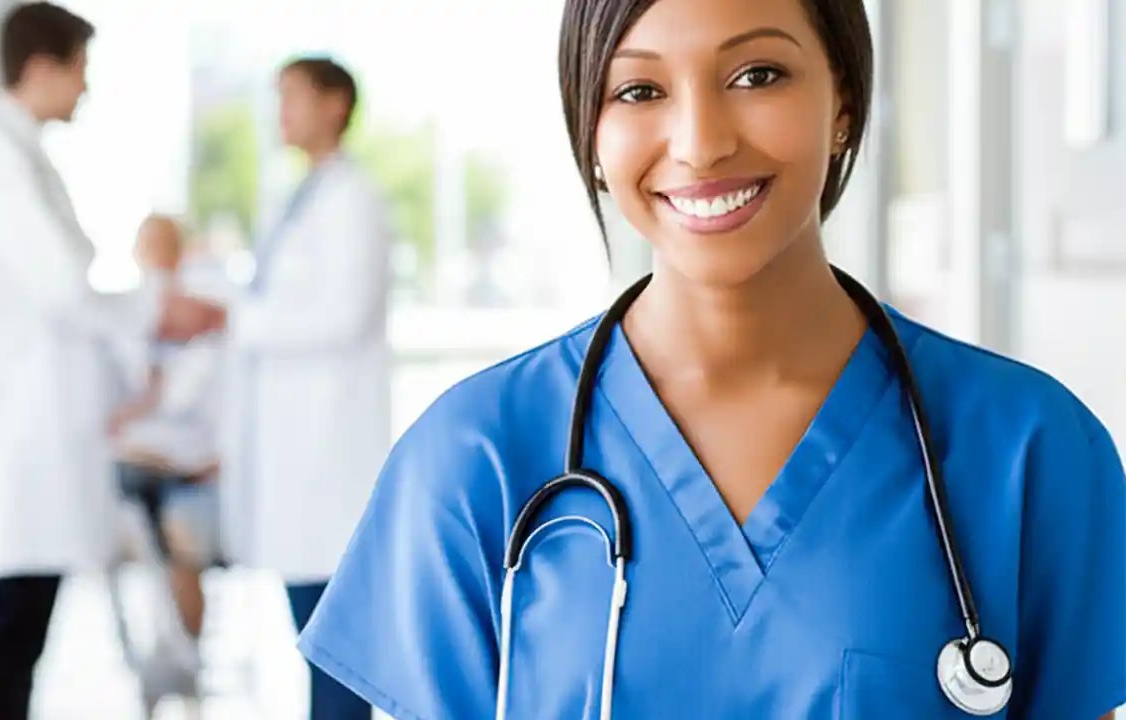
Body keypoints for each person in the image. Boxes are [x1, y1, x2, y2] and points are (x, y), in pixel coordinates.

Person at [295, 1, 1126, 719]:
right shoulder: (474, 460)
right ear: (591, 129)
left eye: (758, 74)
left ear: (843, 96)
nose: (700, 143)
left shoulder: (1030, 450)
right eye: (639, 90)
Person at [0, 5, 222, 719]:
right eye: (80, 72)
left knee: (23, 627)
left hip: (39, 433)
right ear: (41, 68)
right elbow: (63, 287)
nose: (84, 91)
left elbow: (65, 295)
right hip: (21, 438)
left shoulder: (18, 154)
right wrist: (155, 310)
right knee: (14, 628)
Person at [217, 56, 390, 720]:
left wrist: (239, 320)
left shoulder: (354, 199)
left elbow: (342, 316)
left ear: (336, 104)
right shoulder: (305, 194)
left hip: (330, 454)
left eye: (292, 97)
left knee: (335, 644)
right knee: (316, 637)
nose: (279, 113)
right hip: (299, 455)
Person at [108, 215, 225, 694]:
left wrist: (153, 397)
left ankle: (186, 660)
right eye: (148, 244)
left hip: (187, 470)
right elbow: (115, 401)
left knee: (184, 542)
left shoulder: (206, 314)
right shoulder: (121, 316)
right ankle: (151, 663)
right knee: (127, 547)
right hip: (132, 467)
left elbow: (194, 395)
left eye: (165, 244)